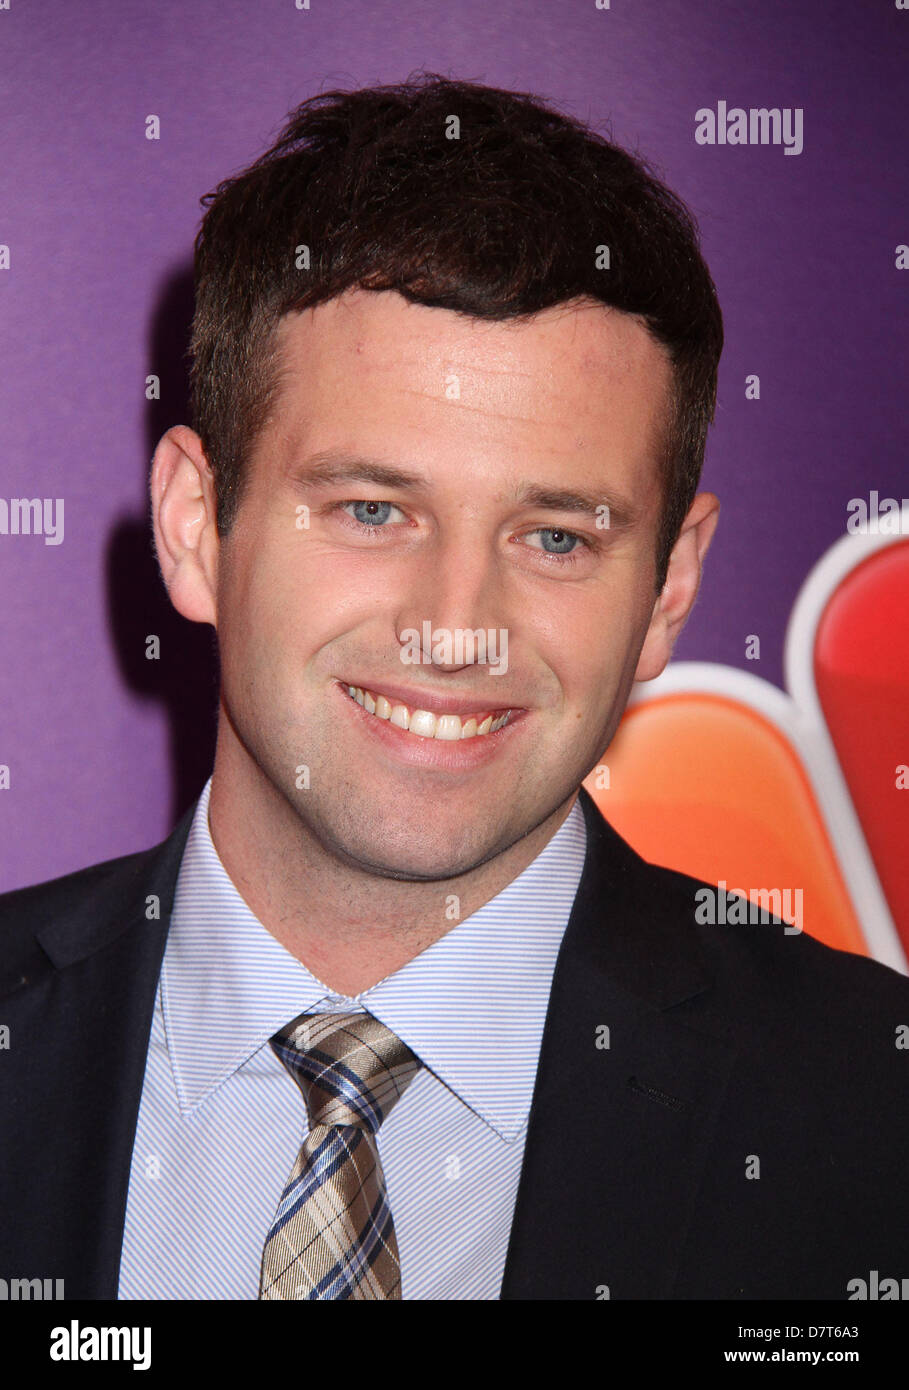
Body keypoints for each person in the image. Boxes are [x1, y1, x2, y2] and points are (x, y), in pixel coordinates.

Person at [1, 74, 907, 1302]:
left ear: (672, 587)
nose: (455, 627)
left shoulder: (870, 1126)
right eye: (373, 510)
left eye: (556, 538)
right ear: (194, 528)